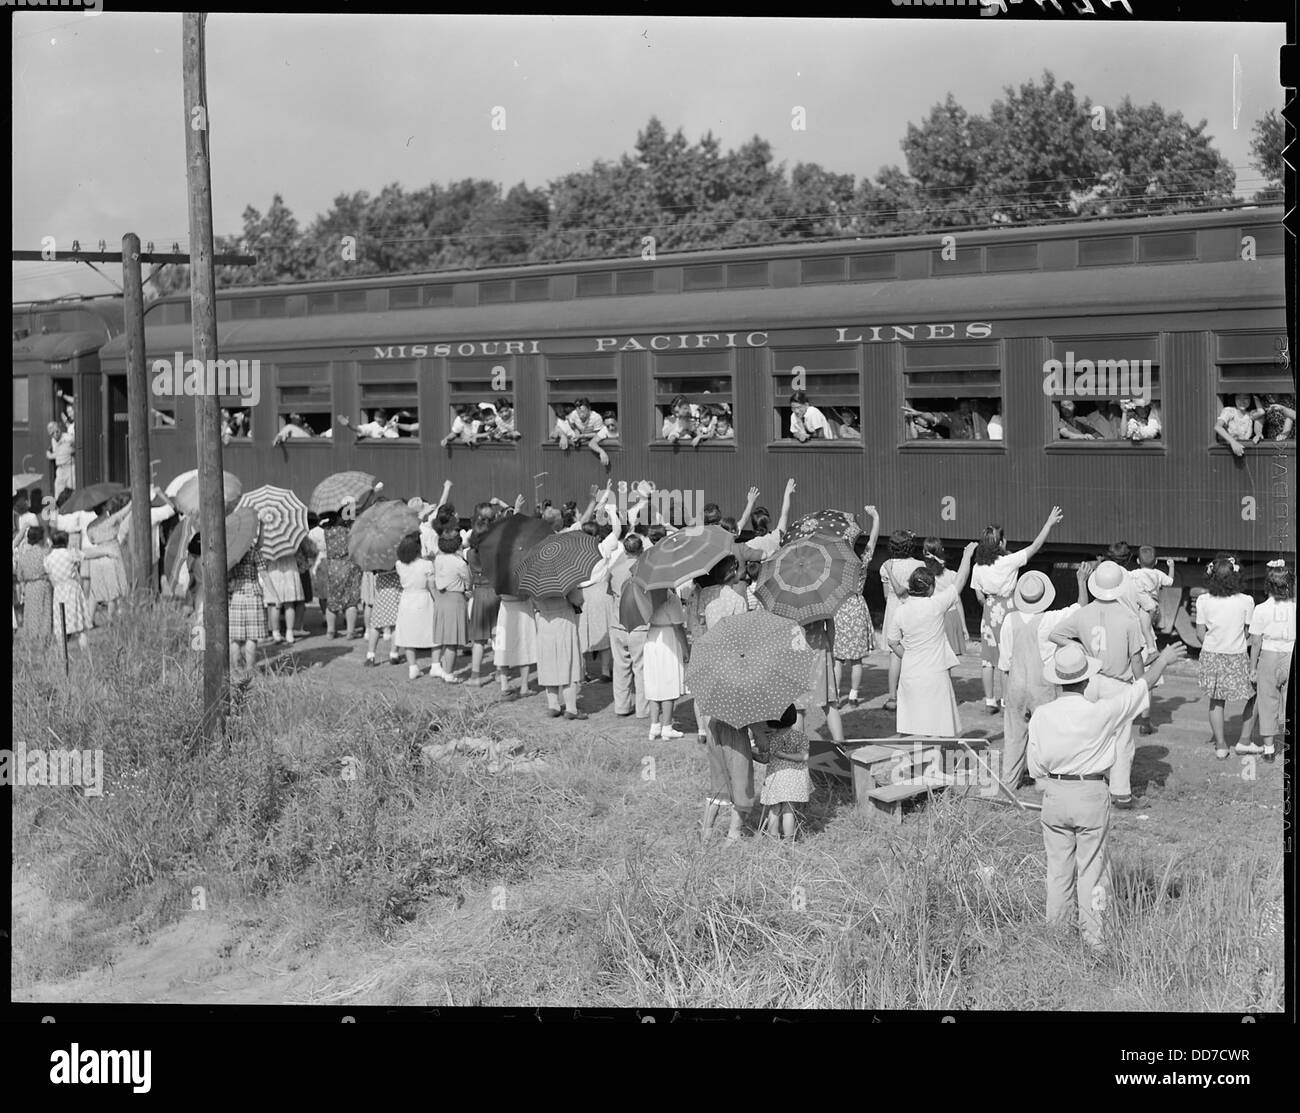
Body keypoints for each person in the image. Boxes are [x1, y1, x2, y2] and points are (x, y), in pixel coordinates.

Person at [1028, 641, 1186, 952]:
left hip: (1055, 793)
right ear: (1087, 680)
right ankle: (1095, 937)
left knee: (1058, 868)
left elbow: (1035, 766)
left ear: (1057, 681)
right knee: (1093, 868)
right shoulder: (1100, 712)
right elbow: (1139, 689)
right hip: (1089, 792)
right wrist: (1163, 660)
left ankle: (1056, 933)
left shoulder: (1041, 716)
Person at [1048, 560, 1148, 808]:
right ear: (1120, 587)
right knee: (1122, 740)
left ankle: (1086, 783)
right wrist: (1142, 687)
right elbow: (1136, 658)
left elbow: (1055, 634)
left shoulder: (1084, 613)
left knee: (1089, 735)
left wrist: (1077, 647)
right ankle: (1121, 794)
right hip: (1118, 684)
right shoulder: (1129, 618)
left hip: (1089, 682)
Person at [997, 568, 1089, 790]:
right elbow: (1080, 609)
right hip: (1043, 688)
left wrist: (1004, 696)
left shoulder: (1009, 620)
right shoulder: (1050, 619)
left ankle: (1008, 781)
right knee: (1045, 735)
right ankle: (1043, 780)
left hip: (1016, 685)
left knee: (1014, 736)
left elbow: (1004, 664)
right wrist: (1081, 581)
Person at [972, 507, 1065, 715]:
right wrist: (1049, 523)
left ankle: (989, 701)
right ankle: (1007, 700)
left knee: (989, 659)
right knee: (1012, 657)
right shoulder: (1008, 561)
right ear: (1001, 543)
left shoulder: (978, 567)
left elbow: (979, 596)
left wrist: (989, 605)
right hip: (1009, 608)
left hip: (989, 610)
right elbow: (1035, 546)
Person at [886, 542, 978, 736]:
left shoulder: (901, 611)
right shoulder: (936, 605)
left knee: (912, 727)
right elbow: (960, 581)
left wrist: (908, 655)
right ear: (930, 589)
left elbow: (892, 642)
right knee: (938, 728)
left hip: (910, 674)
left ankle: (915, 763)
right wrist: (967, 555)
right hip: (935, 675)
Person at [1193, 554, 1257, 759]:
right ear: (1235, 576)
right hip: (1236, 655)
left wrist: (1214, 644)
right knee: (1253, 696)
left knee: (1216, 701)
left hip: (1211, 654)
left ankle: (1221, 746)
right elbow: (1248, 632)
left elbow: (1200, 633)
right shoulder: (1246, 601)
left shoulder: (1203, 600)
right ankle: (1244, 741)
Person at [833, 507, 881, 707]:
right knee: (856, 659)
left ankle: (834, 696)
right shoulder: (861, 562)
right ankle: (853, 696)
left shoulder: (834, 565)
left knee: (837, 659)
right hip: (856, 608)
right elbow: (873, 542)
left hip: (839, 609)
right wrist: (876, 518)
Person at [1247, 562, 1294, 762]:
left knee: (1267, 701)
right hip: (1291, 652)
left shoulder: (1261, 609)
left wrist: (1252, 668)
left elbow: (1255, 642)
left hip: (1269, 655)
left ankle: (1268, 749)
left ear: (1268, 585)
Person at [751, 704, 811, 840]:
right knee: (789, 810)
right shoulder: (801, 736)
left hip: (776, 779)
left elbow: (765, 759)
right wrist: (788, 756)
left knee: (774, 809)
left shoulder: (770, 740)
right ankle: (789, 839)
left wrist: (751, 754)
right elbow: (804, 756)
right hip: (796, 778)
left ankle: (773, 837)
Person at [880, 530, 924, 712]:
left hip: (892, 609)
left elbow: (885, 594)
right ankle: (915, 696)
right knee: (914, 653)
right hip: (912, 610)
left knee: (894, 656)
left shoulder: (885, 566)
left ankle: (892, 697)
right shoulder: (919, 564)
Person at [533, 586, 587, 719]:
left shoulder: (533, 582)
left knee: (548, 663)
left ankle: (553, 705)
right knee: (568, 662)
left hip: (545, 621)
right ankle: (571, 708)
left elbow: (533, 603)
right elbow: (578, 599)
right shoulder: (564, 580)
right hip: (564, 621)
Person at [643, 586, 688, 739]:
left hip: (652, 637)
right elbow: (678, 625)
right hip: (668, 638)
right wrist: (686, 649)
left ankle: (654, 725)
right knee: (669, 682)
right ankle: (667, 726)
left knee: (654, 682)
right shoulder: (671, 597)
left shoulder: (645, 595)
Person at [46, 531, 98, 651]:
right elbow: (86, 555)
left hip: (58, 590)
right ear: (66, 541)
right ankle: (84, 650)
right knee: (80, 625)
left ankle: (62, 653)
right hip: (72, 588)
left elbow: (49, 575)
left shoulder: (49, 558)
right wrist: (105, 551)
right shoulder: (70, 554)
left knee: (61, 624)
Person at [83, 500, 132, 628]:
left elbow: (91, 540)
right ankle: (111, 619)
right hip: (112, 552)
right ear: (104, 507)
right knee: (114, 589)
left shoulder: (91, 526)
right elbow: (126, 511)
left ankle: (89, 619)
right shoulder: (112, 519)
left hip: (97, 556)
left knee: (95, 590)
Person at [394, 533, 436, 680]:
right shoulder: (427, 565)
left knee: (408, 635)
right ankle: (436, 664)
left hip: (407, 599)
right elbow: (432, 586)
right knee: (432, 632)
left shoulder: (399, 564)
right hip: (423, 598)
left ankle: (413, 667)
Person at [464, 517, 499, 685]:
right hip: (495, 592)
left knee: (478, 639)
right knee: (497, 634)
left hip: (479, 593)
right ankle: (501, 672)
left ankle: (475, 676)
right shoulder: (495, 552)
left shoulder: (470, 553)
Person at [922, 536, 968, 660]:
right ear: (942, 550)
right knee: (949, 659)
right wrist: (963, 626)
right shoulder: (952, 575)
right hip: (951, 617)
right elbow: (957, 602)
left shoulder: (922, 575)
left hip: (932, 616)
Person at [320, 510, 363, 639]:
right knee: (351, 601)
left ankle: (330, 631)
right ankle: (350, 632)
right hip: (349, 565)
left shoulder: (327, 530)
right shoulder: (349, 530)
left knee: (332, 601)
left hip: (333, 567)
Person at [228, 545, 269, 677]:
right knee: (252, 636)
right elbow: (264, 574)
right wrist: (275, 595)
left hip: (237, 594)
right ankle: (250, 669)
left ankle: (235, 669)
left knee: (236, 638)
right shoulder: (254, 552)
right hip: (253, 594)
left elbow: (229, 575)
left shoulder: (233, 551)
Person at [1129, 546, 1175, 662]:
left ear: (1138, 561)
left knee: (1145, 629)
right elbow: (1170, 581)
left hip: (1145, 607)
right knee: (1148, 628)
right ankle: (1151, 649)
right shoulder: (1158, 573)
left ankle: (1152, 651)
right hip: (1154, 605)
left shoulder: (1135, 573)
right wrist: (1171, 567)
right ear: (1156, 562)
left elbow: (1124, 576)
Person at [735, 479, 795, 560]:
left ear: (753, 525)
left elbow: (744, 519)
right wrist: (787, 493)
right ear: (768, 522)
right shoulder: (777, 536)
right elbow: (784, 514)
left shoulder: (749, 545)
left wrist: (750, 502)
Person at [262, 544, 305, 646]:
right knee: (289, 603)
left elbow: (264, 557)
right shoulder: (290, 540)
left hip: (274, 569)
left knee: (275, 604)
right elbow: (298, 553)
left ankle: (276, 633)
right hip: (290, 568)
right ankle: (289, 632)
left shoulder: (268, 541)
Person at [14, 526, 51, 642]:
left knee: (31, 614)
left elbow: (20, 576)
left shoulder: (23, 555)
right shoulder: (44, 553)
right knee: (44, 613)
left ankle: (32, 638)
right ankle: (44, 638)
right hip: (42, 584)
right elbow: (49, 568)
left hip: (29, 587)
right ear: (41, 539)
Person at [362, 566, 402, 667]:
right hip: (396, 594)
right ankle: (394, 655)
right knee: (396, 625)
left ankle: (370, 656)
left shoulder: (376, 561)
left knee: (376, 625)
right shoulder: (396, 560)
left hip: (381, 595)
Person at [901, 399, 987, 440]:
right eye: (962, 408)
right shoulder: (953, 417)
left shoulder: (979, 417)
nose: (965, 410)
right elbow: (935, 417)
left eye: (967, 408)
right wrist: (919, 413)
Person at [1214, 393, 1262, 458]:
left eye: (1246, 398)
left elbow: (1261, 412)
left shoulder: (1250, 414)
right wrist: (1233, 443)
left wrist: (1255, 396)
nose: (1242, 401)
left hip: (1245, 453)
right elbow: (1218, 427)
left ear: (1251, 400)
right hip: (1229, 452)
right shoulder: (1229, 411)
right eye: (1238, 398)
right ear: (1234, 399)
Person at [46, 422, 76, 497]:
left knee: (71, 491)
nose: (55, 434)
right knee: (58, 493)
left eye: (57, 431)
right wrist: (50, 455)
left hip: (70, 467)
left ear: (60, 429)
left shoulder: (68, 438)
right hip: (60, 469)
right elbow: (57, 453)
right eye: (52, 433)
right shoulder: (53, 441)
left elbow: (75, 448)